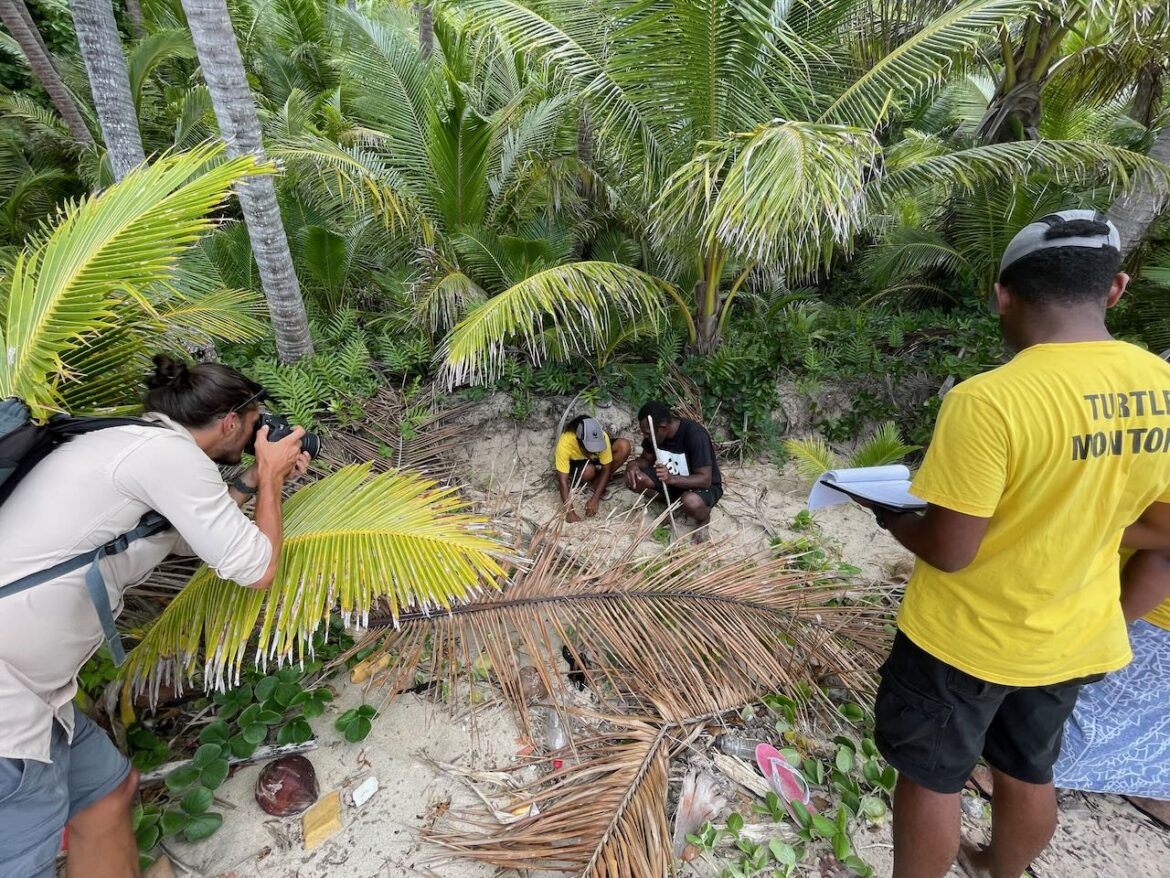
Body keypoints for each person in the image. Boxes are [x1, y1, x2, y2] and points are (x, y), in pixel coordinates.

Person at [858, 211, 1170, 878]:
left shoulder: (991, 401)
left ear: (1004, 294)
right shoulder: (1163, 389)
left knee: (933, 777)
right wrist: (1084, 525)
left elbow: (949, 548)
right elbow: (1166, 529)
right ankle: (999, 869)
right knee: (1029, 767)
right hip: (1072, 635)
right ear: (1115, 288)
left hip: (966, 638)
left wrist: (892, 519)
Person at [0, 355, 309, 878]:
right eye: (258, 427)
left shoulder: (138, 443)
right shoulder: (168, 456)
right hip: (8, 703)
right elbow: (257, 568)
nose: (260, 436)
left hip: (37, 694)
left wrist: (255, 476)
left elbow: (190, 539)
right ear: (231, 422)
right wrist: (275, 478)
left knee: (107, 793)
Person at [1053, 550, 1170, 821]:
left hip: (1147, 612)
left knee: (1086, 710)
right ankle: (1146, 786)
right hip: (1148, 605)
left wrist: (1109, 626)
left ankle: (1019, 778)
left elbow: (1163, 552)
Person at [625, 401, 722, 529]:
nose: (646, 437)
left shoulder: (695, 435)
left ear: (663, 428)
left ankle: (703, 519)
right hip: (670, 482)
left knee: (691, 502)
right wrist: (633, 464)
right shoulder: (654, 434)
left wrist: (671, 479)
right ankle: (673, 504)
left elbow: (704, 480)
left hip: (699, 486)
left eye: (648, 434)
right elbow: (646, 460)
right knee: (634, 479)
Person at [553, 415, 632, 522]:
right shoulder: (565, 442)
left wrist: (595, 498)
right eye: (590, 450)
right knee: (588, 471)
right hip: (580, 464)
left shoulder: (602, 437)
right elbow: (562, 481)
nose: (594, 452)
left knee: (624, 445)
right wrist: (570, 512)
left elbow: (606, 468)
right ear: (579, 442)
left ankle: (597, 483)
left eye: (596, 448)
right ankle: (589, 479)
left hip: (596, 463)